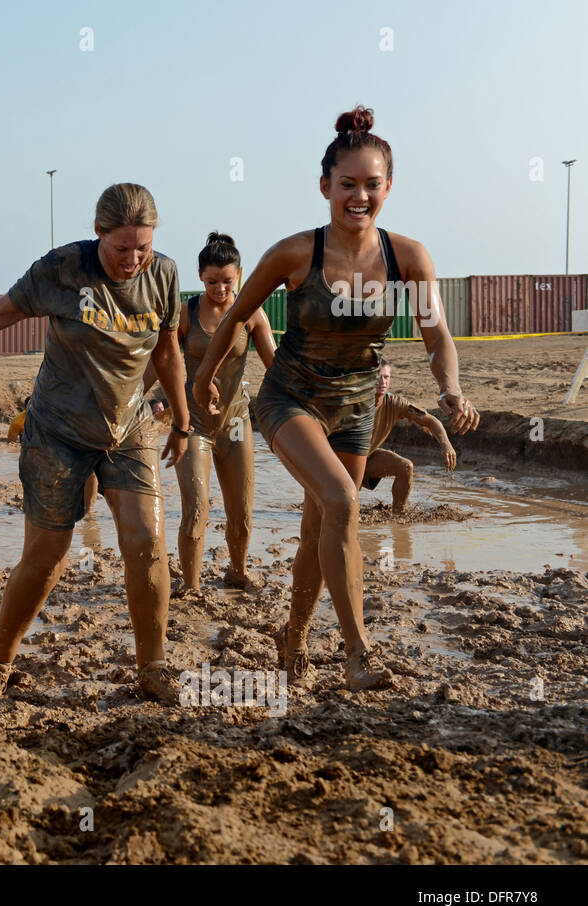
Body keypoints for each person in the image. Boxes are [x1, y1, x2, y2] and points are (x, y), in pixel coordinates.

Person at [194, 106, 479, 690]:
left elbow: (436, 333)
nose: (359, 196)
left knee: (317, 525)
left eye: (372, 184)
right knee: (344, 502)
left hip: (354, 409)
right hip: (289, 399)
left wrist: (451, 389)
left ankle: (293, 637)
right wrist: (202, 382)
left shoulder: (409, 258)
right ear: (325, 186)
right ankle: (359, 655)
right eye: (347, 184)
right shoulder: (296, 253)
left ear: (388, 188)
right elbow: (237, 316)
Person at [0, 183, 190, 702]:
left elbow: (167, 352)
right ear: (98, 234)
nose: (134, 259)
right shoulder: (62, 269)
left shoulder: (163, 275)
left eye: (143, 247)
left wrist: (183, 422)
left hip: (130, 427)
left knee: (146, 543)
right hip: (58, 430)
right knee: (48, 555)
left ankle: (153, 666)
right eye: (122, 248)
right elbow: (3, 311)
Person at [165, 233, 276, 593]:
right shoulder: (187, 313)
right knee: (196, 509)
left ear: (240, 275)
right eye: (212, 281)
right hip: (194, 424)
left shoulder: (252, 314)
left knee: (241, 512)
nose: (220, 288)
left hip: (237, 424)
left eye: (228, 281)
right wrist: (146, 396)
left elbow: (276, 367)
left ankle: (238, 572)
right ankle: (192, 585)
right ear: (200, 277)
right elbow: (163, 361)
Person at [361, 362, 457, 511]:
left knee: (405, 467)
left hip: (367, 457)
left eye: (386, 377)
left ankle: (399, 518)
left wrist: (446, 444)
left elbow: (430, 420)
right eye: (378, 377)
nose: (382, 382)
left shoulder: (394, 402)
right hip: (343, 461)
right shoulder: (355, 402)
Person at [9, 396, 98, 515]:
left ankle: (88, 512)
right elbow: (11, 442)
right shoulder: (21, 420)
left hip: (74, 423)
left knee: (90, 469)